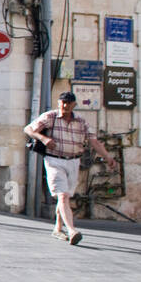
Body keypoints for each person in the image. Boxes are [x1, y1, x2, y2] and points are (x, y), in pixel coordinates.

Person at [24, 91, 117, 245]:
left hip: (73, 161)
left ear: (74, 105)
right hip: (54, 160)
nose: (65, 106)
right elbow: (28, 129)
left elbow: (94, 142)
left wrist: (107, 157)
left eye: (68, 103)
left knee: (66, 196)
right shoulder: (50, 117)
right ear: (59, 103)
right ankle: (72, 230)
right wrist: (44, 138)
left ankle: (58, 228)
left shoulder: (81, 122)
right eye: (63, 103)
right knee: (62, 196)